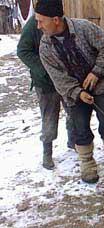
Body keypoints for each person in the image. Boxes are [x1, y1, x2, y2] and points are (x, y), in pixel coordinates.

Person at [34, 0, 104, 183]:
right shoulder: (45, 47)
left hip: (101, 86)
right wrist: (77, 92)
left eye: (40, 21)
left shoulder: (84, 28)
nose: (38, 26)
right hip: (73, 94)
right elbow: (58, 77)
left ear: (55, 20)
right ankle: (88, 166)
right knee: (80, 128)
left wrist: (97, 72)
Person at [17, 14, 75, 170]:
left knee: (73, 110)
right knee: (49, 117)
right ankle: (47, 153)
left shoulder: (60, 20)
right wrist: (44, 70)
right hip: (45, 83)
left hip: (65, 78)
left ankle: (73, 140)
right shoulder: (33, 25)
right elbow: (23, 51)